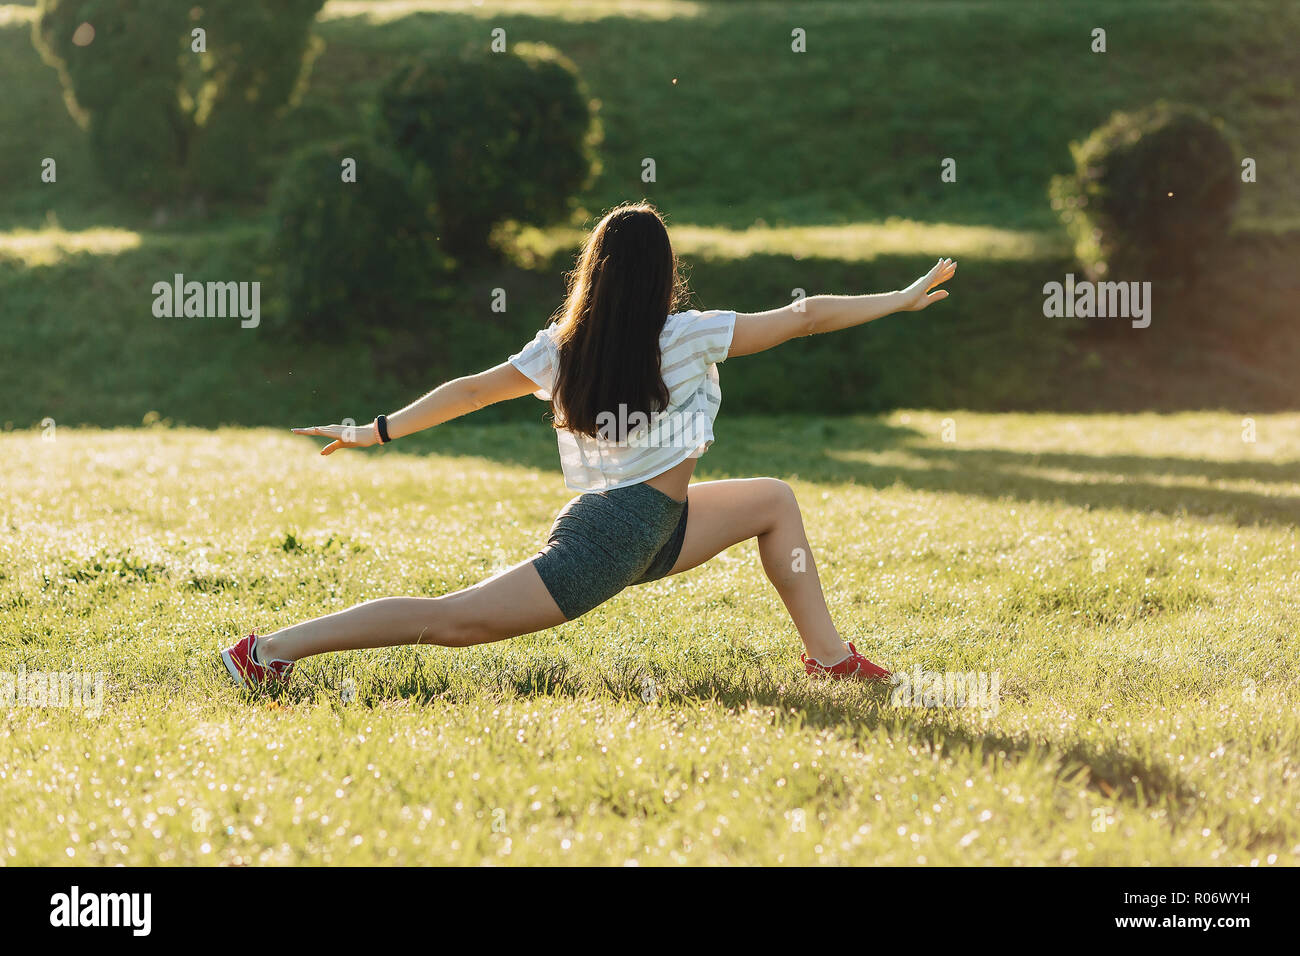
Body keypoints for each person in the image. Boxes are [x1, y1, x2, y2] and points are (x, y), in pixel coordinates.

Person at [221, 202, 956, 688]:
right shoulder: (686, 334)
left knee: (773, 501)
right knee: (451, 620)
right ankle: (268, 650)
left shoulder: (562, 346)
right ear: (663, 273)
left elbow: (471, 389)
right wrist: (896, 299)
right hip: (612, 537)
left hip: (652, 527)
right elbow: (802, 316)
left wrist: (376, 430)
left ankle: (831, 660)